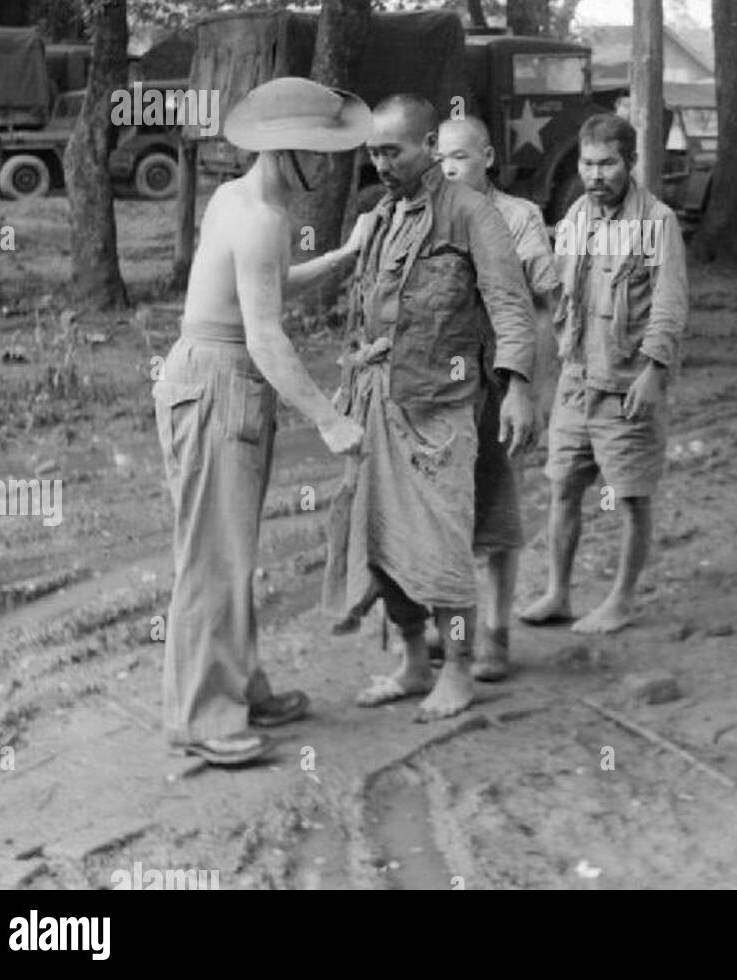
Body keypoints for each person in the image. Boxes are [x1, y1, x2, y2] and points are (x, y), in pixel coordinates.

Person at [155, 77, 369, 768]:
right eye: (321, 148)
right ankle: (206, 719)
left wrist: (337, 260)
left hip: (215, 377)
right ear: (287, 150)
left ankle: (241, 687)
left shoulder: (245, 201)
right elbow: (266, 336)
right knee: (214, 559)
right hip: (221, 381)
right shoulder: (259, 219)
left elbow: (265, 286)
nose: (331, 160)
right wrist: (329, 418)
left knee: (231, 554)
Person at [323, 95, 537, 720]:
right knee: (381, 541)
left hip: (443, 408)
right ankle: (415, 661)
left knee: (443, 551)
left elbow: (509, 303)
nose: (380, 162)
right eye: (372, 152)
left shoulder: (472, 213)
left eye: (391, 150)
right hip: (376, 399)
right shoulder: (382, 214)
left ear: (427, 147)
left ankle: (460, 671)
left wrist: (519, 385)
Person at [520, 113, 688, 634]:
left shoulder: (657, 223)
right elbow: (560, 301)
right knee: (563, 488)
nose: (596, 175)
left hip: (627, 385)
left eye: (607, 164)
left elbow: (669, 302)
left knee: (632, 497)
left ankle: (621, 599)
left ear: (630, 163)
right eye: (588, 164)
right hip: (576, 381)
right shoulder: (574, 217)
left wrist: (653, 372)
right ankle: (558, 592)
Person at [435, 114, 559, 681]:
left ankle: (497, 633)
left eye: (460, 155)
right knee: (442, 518)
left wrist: (524, 390)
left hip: (497, 388)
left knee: (498, 516)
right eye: (441, 158)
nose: (449, 167)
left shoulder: (517, 217)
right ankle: (450, 634)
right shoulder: (430, 217)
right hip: (441, 390)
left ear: (487, 156)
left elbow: (545, 303)